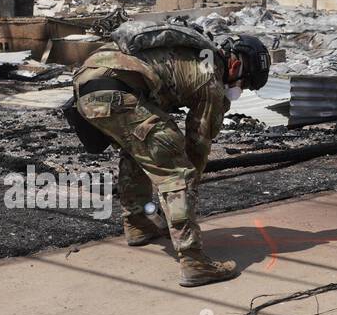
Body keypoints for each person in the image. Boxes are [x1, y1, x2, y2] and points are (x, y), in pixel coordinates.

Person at [71, 33, 270, 287]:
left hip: (88, 82)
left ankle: (138, 222)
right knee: (177, 170)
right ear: (235, 66)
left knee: (141, 148)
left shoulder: (198, 53)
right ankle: (194, 261)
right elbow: (198, 144)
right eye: (245, 84)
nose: (240, 90)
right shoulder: (212, 79)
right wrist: (186, 186)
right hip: (117, 90)